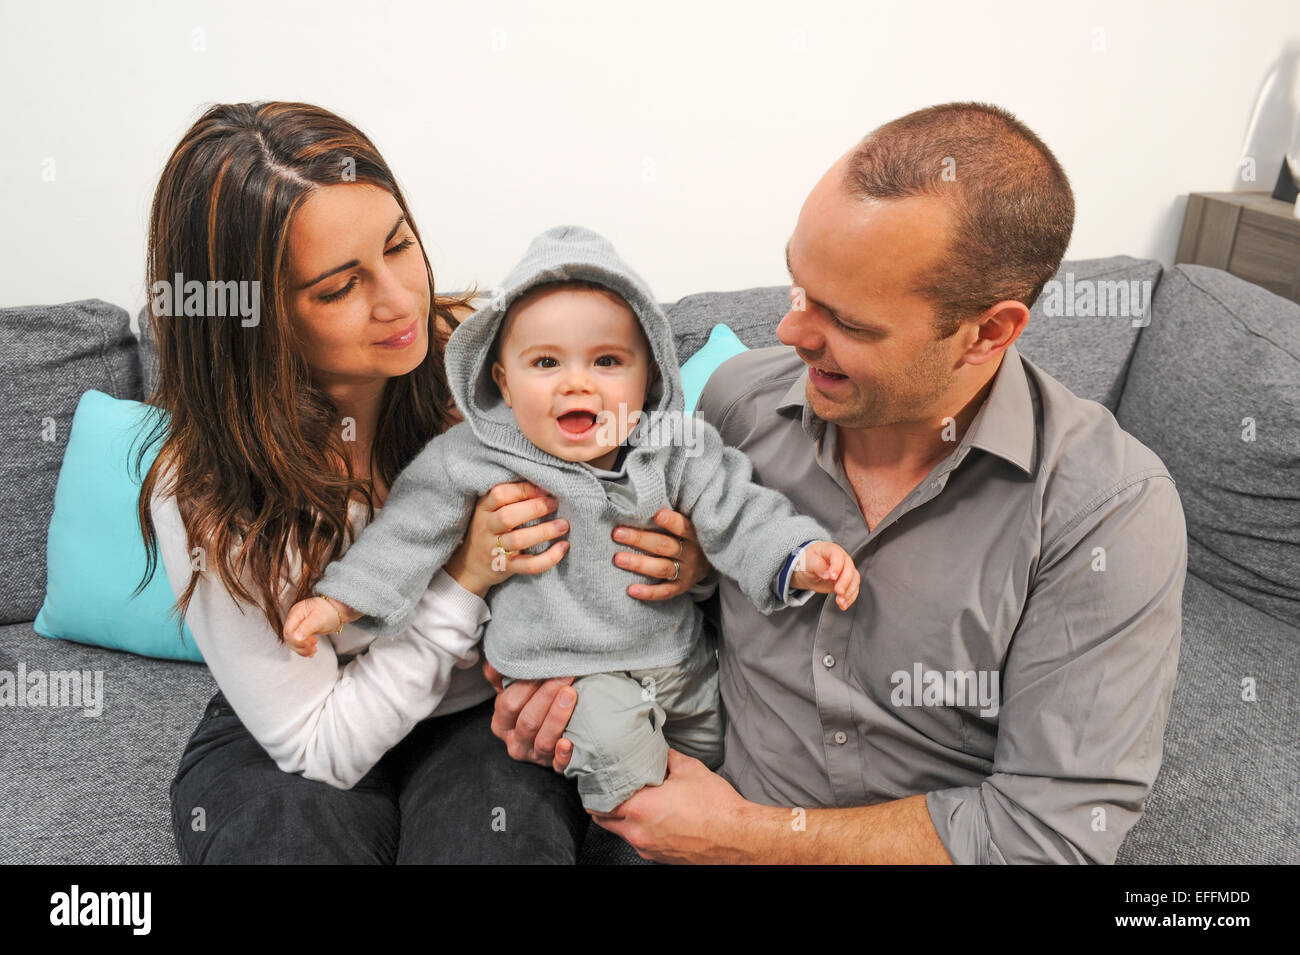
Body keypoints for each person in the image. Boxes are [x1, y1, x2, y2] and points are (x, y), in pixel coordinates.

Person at [489, 102, 1189, 864]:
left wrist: (735, 837)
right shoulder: (736, 406)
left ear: (989, 332)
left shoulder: (1109, 511)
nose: (790, 334)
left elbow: (1048, 836)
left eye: (847, 322)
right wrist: (664, 595)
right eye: (797, 285)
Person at [136, 101, 713, 864]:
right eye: (339, 288)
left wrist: (693, 563)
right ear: (256, 321)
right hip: (308, 724)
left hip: (479, 715)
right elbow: (323, 747)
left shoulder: (494, 369)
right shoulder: (206, 487)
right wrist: (467, 574)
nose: (399, 301)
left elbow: (648, 470)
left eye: (398, 245)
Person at [281, 225, 860, 813]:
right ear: (503, 381)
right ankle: (650, 821)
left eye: (607, 361)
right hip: (568, 679)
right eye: (546, 362)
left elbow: (741, 511)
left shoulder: (678, 446)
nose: (576, 382)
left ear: (651, 374)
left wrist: (799, 556)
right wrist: (339, 602)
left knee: (733, 765)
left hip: (681, 663)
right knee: (633, 782)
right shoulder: (476, 457)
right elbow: (406, 535)